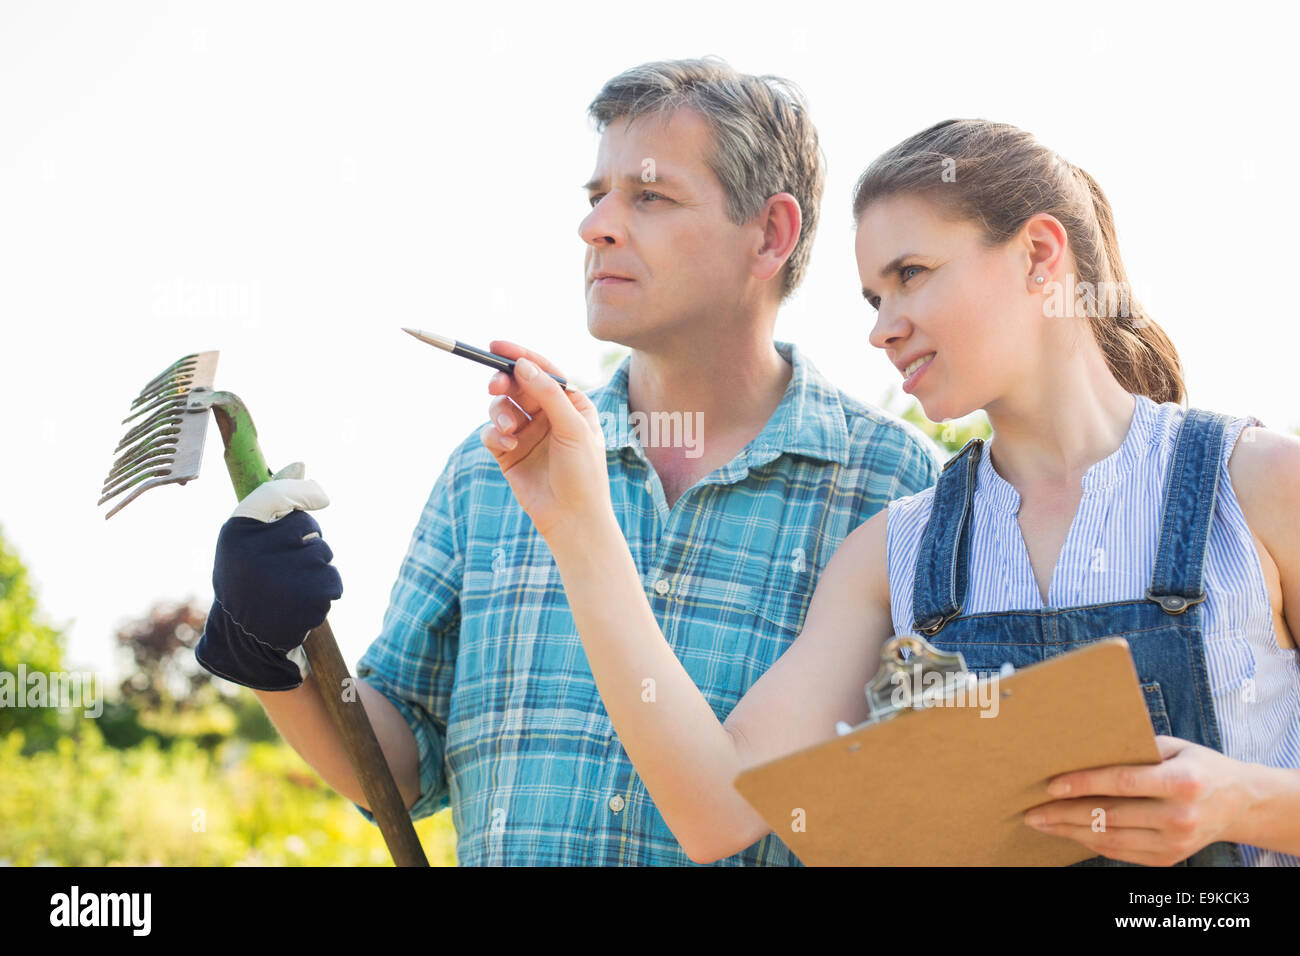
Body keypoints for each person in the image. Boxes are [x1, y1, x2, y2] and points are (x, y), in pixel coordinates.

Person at [481, 118, 1300, 866]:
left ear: (1041, 256)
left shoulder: (1261, 485)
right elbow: (715, 809)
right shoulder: (894, 553)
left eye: (912, 274)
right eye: (875, 297)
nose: (882, 327)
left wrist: (1242, 799)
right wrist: (579, 522)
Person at [193, 58, 940, 866]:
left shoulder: (900, 491)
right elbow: (397, 764)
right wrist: (275, 651)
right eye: (596, 198)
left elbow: (929, 812)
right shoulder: (490, 473)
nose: (597, 227)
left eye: (649, 196)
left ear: (770, 234)